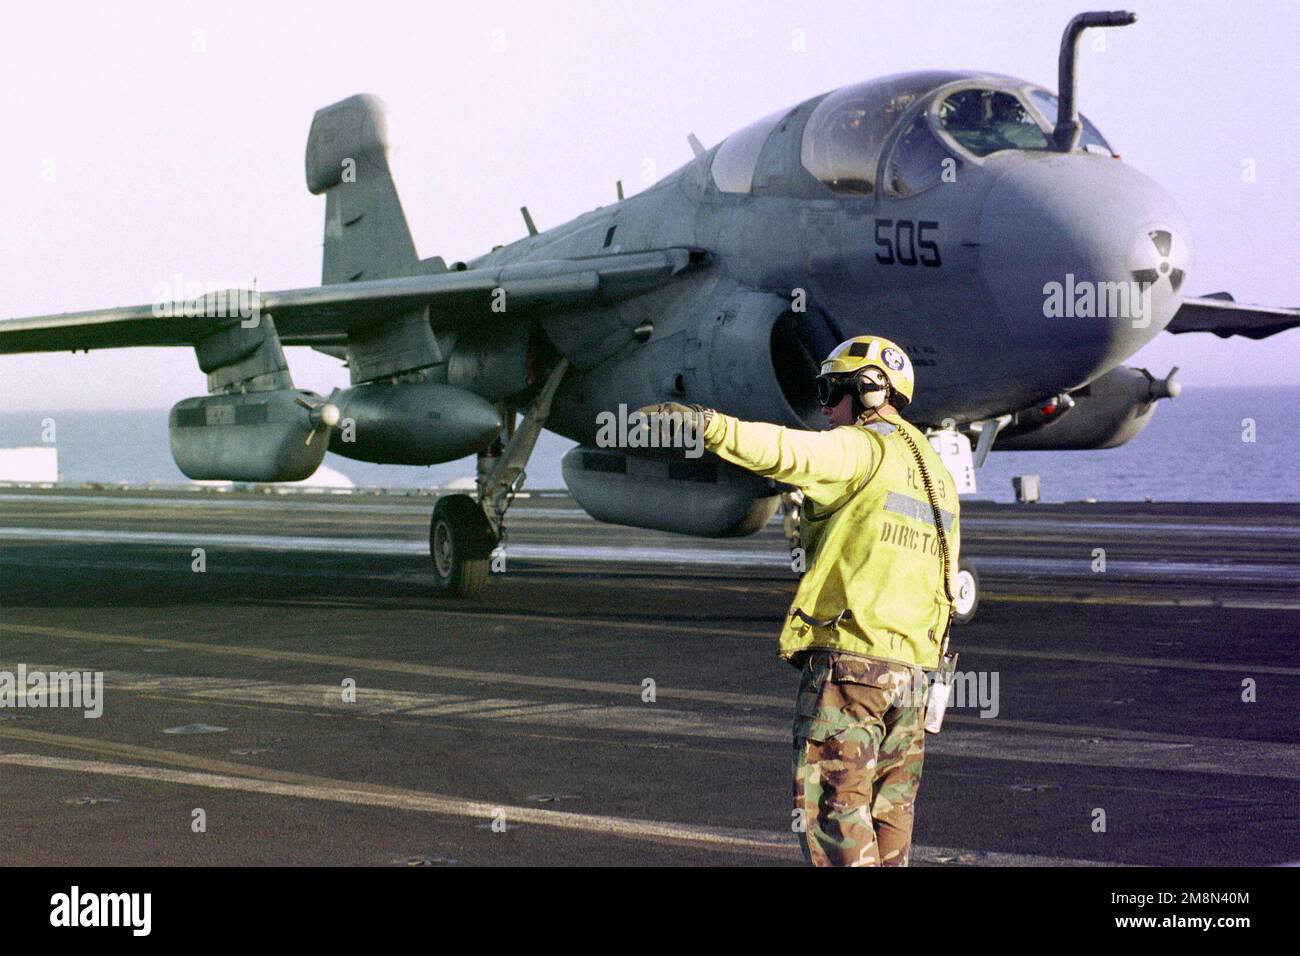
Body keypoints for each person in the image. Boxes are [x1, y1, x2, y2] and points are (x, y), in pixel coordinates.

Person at [639, 335, 960, 866]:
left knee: (836, 814)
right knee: (889, 817)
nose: (825, 406)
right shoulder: (936, 476)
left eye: (831, 391)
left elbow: (788, 450)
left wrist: (707, 425)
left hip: (855, 669)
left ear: (868, 390)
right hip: (914, 678)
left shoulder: (862, 448)